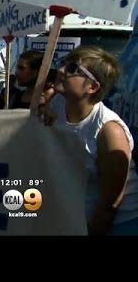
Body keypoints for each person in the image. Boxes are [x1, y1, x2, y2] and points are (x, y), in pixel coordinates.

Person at [42, 46, 138, 235]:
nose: (61, 71)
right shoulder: (58, 103)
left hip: (117, 224)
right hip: (76, 217)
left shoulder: (109, 133)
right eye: (63, 64)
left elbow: (110, 204)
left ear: (92, 87)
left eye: (72, 69)